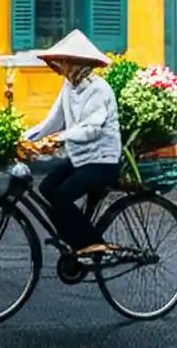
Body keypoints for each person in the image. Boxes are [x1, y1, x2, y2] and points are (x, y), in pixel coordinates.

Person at [23, 29, 122, 256]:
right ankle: (73, 240)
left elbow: (91, 129)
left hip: (102, 161)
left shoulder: (99, 89)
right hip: (81, 159)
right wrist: (24, 139)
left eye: (65, 62)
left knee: (62, 195)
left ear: (76, 63)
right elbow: (52, 121)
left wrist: (59, 138)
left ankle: (91, 243)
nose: (61, 67)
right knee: (46, 188)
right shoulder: (69, 87)